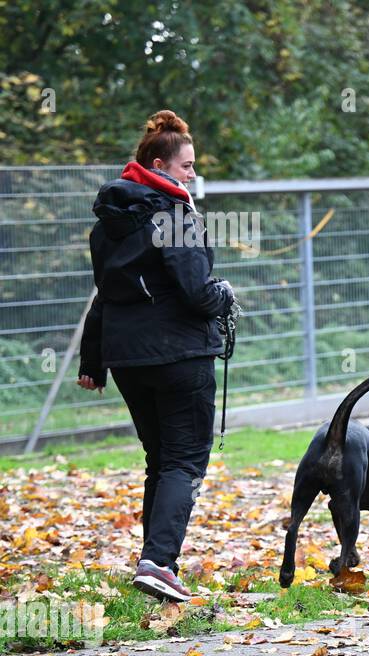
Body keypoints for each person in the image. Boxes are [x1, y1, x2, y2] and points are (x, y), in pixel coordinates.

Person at [77, 110, 236, 602]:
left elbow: (105, 293)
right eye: (187, 166)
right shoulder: (175, 214)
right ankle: (159, 561)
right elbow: (195, 291)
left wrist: (92, 360)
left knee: (160, 459)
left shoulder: (108, 226)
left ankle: (153, 561)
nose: (192, 174)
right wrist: (224, 296)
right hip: (179, 354)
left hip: (127, 358)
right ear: (160, 164)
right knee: (185, 459)